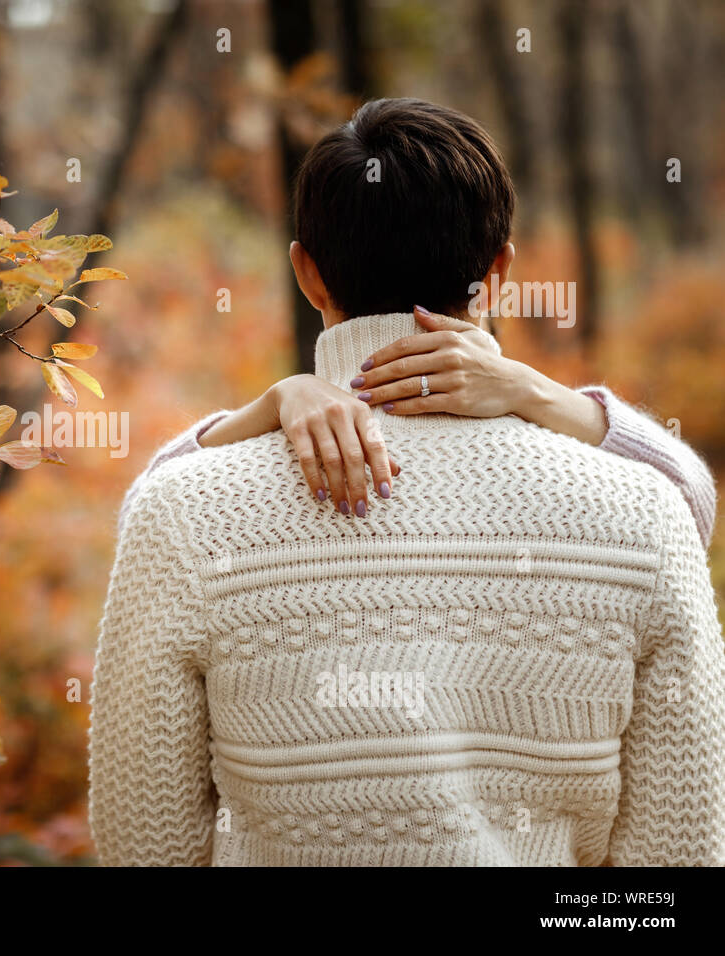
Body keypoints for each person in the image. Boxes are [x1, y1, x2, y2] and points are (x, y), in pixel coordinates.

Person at [88, 97, 725, 866]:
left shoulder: (187, 511)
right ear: (498, 270)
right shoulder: (645, 513)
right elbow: (675, 861)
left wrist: (256, 412)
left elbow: (143, 842)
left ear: (306, 273)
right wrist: (541, 393)